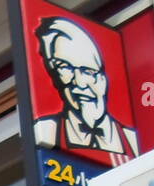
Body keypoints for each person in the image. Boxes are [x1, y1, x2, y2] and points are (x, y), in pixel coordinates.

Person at [32, 16, 139, 166]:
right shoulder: (45, 131)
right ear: (55, 75)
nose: (79, 83)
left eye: (88, 70)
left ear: (104, 79)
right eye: (65, 68)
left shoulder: (134, 142)